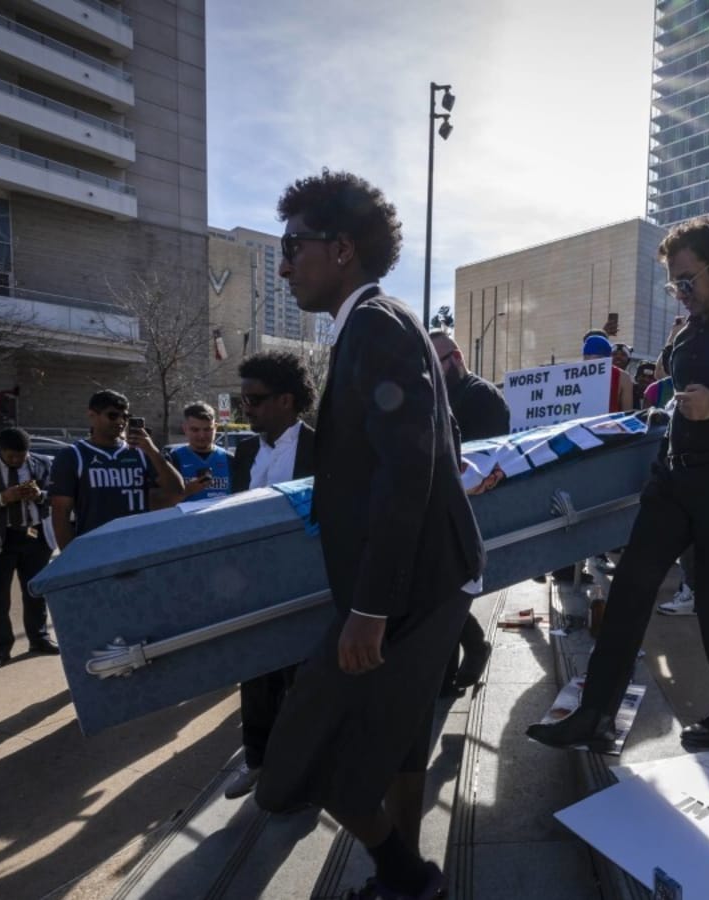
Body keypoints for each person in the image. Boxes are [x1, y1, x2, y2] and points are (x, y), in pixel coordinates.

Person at [253, 169, 485, 899]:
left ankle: (408, 878)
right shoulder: (375, 325)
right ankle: (406, 876)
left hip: (404, 596)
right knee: (337, 764)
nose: (286, 263)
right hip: (406, 589)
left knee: (307, 766)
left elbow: (409, 463)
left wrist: (372, 608)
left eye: (294, 246)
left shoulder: (376, 326)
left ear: (342, 248)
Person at [528, 215, 709, 755]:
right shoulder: (686, 333)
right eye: (673, 283)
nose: (680, 293)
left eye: (687, 280)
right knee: (631, 587)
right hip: (673, 475)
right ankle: (594, 714)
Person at [219, 351, 318, 801]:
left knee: (301, 682)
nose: (247, 410)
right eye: (243, 401)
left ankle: (302, 770)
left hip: (305, 584)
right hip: (251, 584)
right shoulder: (242, 452)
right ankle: (257, 758)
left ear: (286, 400)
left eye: (254, 400)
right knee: (254, 675)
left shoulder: (324, 447)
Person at [428, 329, 504, 695]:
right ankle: (451, 669)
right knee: (441, 590)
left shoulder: (480, 396)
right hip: (448, 505)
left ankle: (469, 651)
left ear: (456, 358)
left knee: (445, 589)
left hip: (472, 505)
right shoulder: (443, 396)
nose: (431, 372)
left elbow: (481, 458)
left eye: (436, 363)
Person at [0, 427, 58, 673]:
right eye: (11, 456)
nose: (17, 460)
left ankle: (39, 638)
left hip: (35, 536)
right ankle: (0, 649)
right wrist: (2, 498)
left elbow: (56, 495)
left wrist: (40, 495)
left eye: (22, 456)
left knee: (36, 591)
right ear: (0, 450)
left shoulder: (41, 463)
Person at [48, 390, 184, 549]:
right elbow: (60, 514)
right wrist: (70, 559)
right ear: (92, 415)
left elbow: (176, 491)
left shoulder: (142, 452)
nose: (120, 421)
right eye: (112, 415)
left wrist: (152, 451)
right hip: (94, 547)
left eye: (125, 416)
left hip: (138, 546)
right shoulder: (73, 455)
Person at [430, 330, 509, 440]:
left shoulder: (481, 394)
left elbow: (478, 452)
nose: (431, 373)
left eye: (435, 365)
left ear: (457, 357)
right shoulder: (439, 398)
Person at [167, 401, 232, 504]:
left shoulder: (230, 459)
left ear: (215, 427)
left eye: (207, 429)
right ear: (185, 429)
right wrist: (186, 491)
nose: (202, 435)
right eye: (195, 430)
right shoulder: (173, 459)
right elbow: (160, 504)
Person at [582, 333, 634, 413]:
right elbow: (627, 413)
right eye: (588, 356)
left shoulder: (572, 374)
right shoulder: (624, 378)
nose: (590, 359)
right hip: (609, 424)